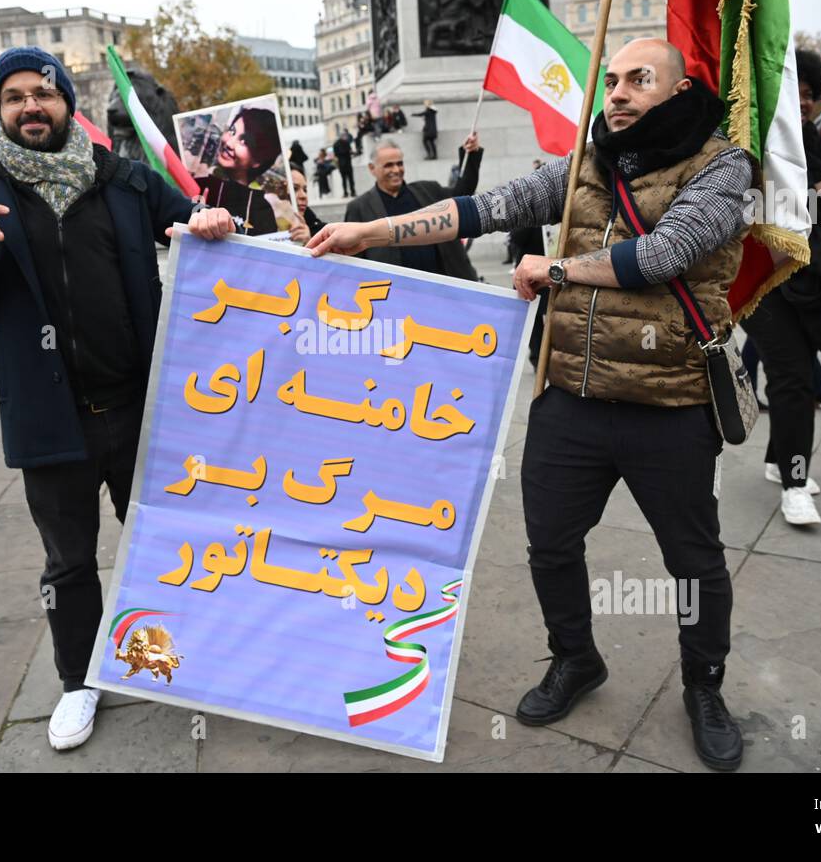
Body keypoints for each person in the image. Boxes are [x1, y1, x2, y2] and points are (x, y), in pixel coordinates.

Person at [298, 39, 757, 770]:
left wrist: (558, 270)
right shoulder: (587, 161)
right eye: (612, 80)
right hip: (570, 398)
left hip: (667, 405)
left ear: (678, 90)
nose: (618, 92)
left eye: (640, 79)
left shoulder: (723, 167)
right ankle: (575, 657)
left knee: (693, 559)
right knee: (550, 545)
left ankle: (703, 685)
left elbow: (666, 253)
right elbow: (490, 206)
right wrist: (372, 232)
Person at [0, 46, 231, 753]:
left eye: (44, 93)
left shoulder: (123, 179)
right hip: (50, 423)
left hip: (139, 409)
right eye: (15, 98)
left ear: (68, 104)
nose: (31, 105)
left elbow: (198, 222)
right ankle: (78, 681)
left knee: (159, 544)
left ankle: (161, 658)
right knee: (67, 563)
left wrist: (211, 223)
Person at [740, 47, 821, 526]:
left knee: (793, 376)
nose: (805, 102)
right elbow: (745, 214)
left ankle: (779, 460)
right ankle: (796, 484)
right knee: (793, 379)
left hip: (810, 284)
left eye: (811, 94)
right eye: (795, 93)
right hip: (761, 281)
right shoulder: (754, 148)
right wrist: (817, 194)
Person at [343, 135, 482, 280]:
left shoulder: (429, 190)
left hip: (445, 287)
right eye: (388, 165)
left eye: (399, 163)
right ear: (372, 168)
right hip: (396, 294)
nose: (396, 170)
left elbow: (462, 193)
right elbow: (354, 261)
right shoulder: (359, 208)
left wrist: (471, 154)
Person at [184, 105, 284, 234]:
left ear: (258, 160)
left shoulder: (260, 209)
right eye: (232, 131)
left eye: (244, 141)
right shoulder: (199, 187)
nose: (229, 143)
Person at [333, 131, 356, 198]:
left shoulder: (336, 144)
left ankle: (346, 193)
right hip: (347, 164)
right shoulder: (346, 143)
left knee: (344, 180)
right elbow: (349, 151)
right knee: (350, 179)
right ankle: (352, 192)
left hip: (341, 164)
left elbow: (336, 154)